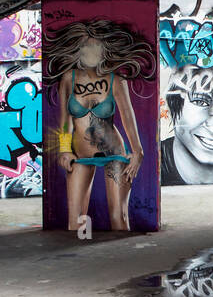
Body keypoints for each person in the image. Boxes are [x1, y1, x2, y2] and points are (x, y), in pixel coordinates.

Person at [45, 18, 154, 231]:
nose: (91, 51)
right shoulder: (69, 79)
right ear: (78, 49)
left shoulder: (116, 80)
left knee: (118, 217)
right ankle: (78, 262)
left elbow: (127, 117)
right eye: (86, 45)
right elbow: (65, 120)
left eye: (96, 45)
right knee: (75, 221)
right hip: (80, 153)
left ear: (104, 49)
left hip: (113, 150)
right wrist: (65, 150)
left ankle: (122, 260)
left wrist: (137, 151)